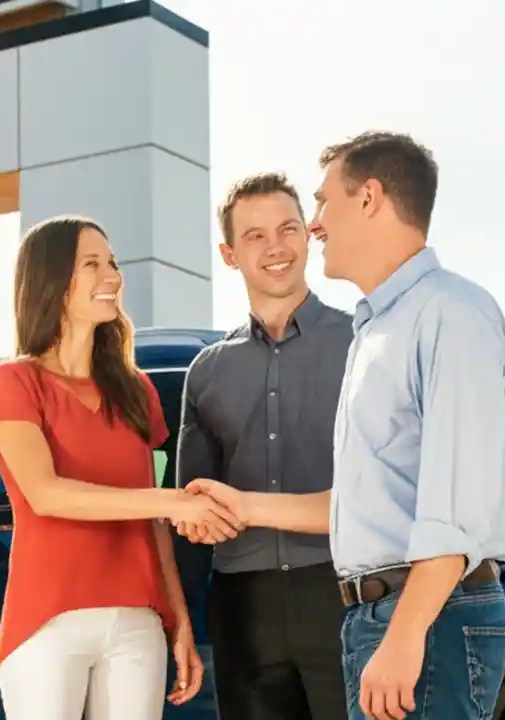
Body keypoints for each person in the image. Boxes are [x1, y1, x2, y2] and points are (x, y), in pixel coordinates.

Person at [184, 131, 505, 720]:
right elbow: (359, 503)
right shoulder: (379, 330)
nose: (314, 225)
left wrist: (406, 634)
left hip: (425, 617)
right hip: (380, 616)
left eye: (320, 204)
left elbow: (456, 508)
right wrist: (242, 505)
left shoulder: (449, 312)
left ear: (368, 199)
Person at [0, 214, 241, 719]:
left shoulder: (137, 391)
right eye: (92, 264)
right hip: (48, 622)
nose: (113, 276)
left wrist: (178, 621)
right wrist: (170, 498)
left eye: (113, 263)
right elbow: (47, 494)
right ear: (52, 280)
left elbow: (155, 524)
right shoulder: (13, 384)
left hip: (136, 622)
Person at [174, 172, 352, 720]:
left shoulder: (364, 343)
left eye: (288, 228)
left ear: (307, 235)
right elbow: (188, 508)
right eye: (254, 236)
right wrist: (181, 619)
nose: (276, 247)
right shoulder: (207, 372)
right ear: (229, 255)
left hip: (345, 594)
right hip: (242, 606)